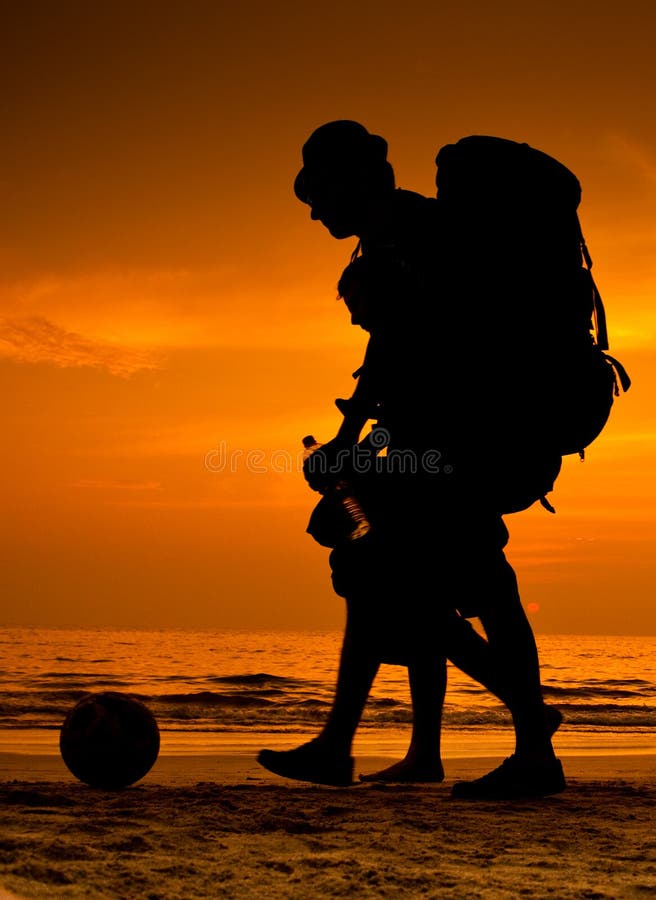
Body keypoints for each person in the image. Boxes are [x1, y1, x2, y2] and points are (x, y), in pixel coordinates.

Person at [258, 121, 565, 799]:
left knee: (472, 589)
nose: (313, 209)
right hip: (448, 442)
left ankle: (532, 739)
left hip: (454, 447)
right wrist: (355, 443)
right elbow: (394, 357)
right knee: (390, 580)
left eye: (318, 192)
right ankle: (350, 746)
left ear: (352, 180)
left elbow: (412, 353)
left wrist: (362, 451)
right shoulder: (400, 235)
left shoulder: (411, 237)